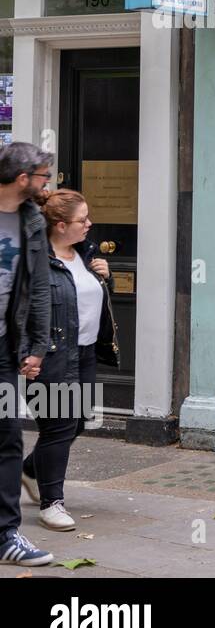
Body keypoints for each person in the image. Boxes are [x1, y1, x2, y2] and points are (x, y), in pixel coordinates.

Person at [20, 190, 114, 533]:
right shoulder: (36, 261)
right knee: (58, 427)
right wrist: (27, 354)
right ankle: (51, 504)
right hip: (52, 356)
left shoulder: (86, 253)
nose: (90, 225)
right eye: (82, 220)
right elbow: (20, 311)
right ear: (60, 225)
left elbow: (90, 300)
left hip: (86, 354)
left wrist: (106, 277)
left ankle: (30, 470)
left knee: (76, 423)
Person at [0, 142, 54, 566]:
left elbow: (35, 289)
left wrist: (37, 346)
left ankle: (6, 536)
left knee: (8, 437)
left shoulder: (31, 221)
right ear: (23, 179)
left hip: (3, 349)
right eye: (43, 177)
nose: (47, 184)